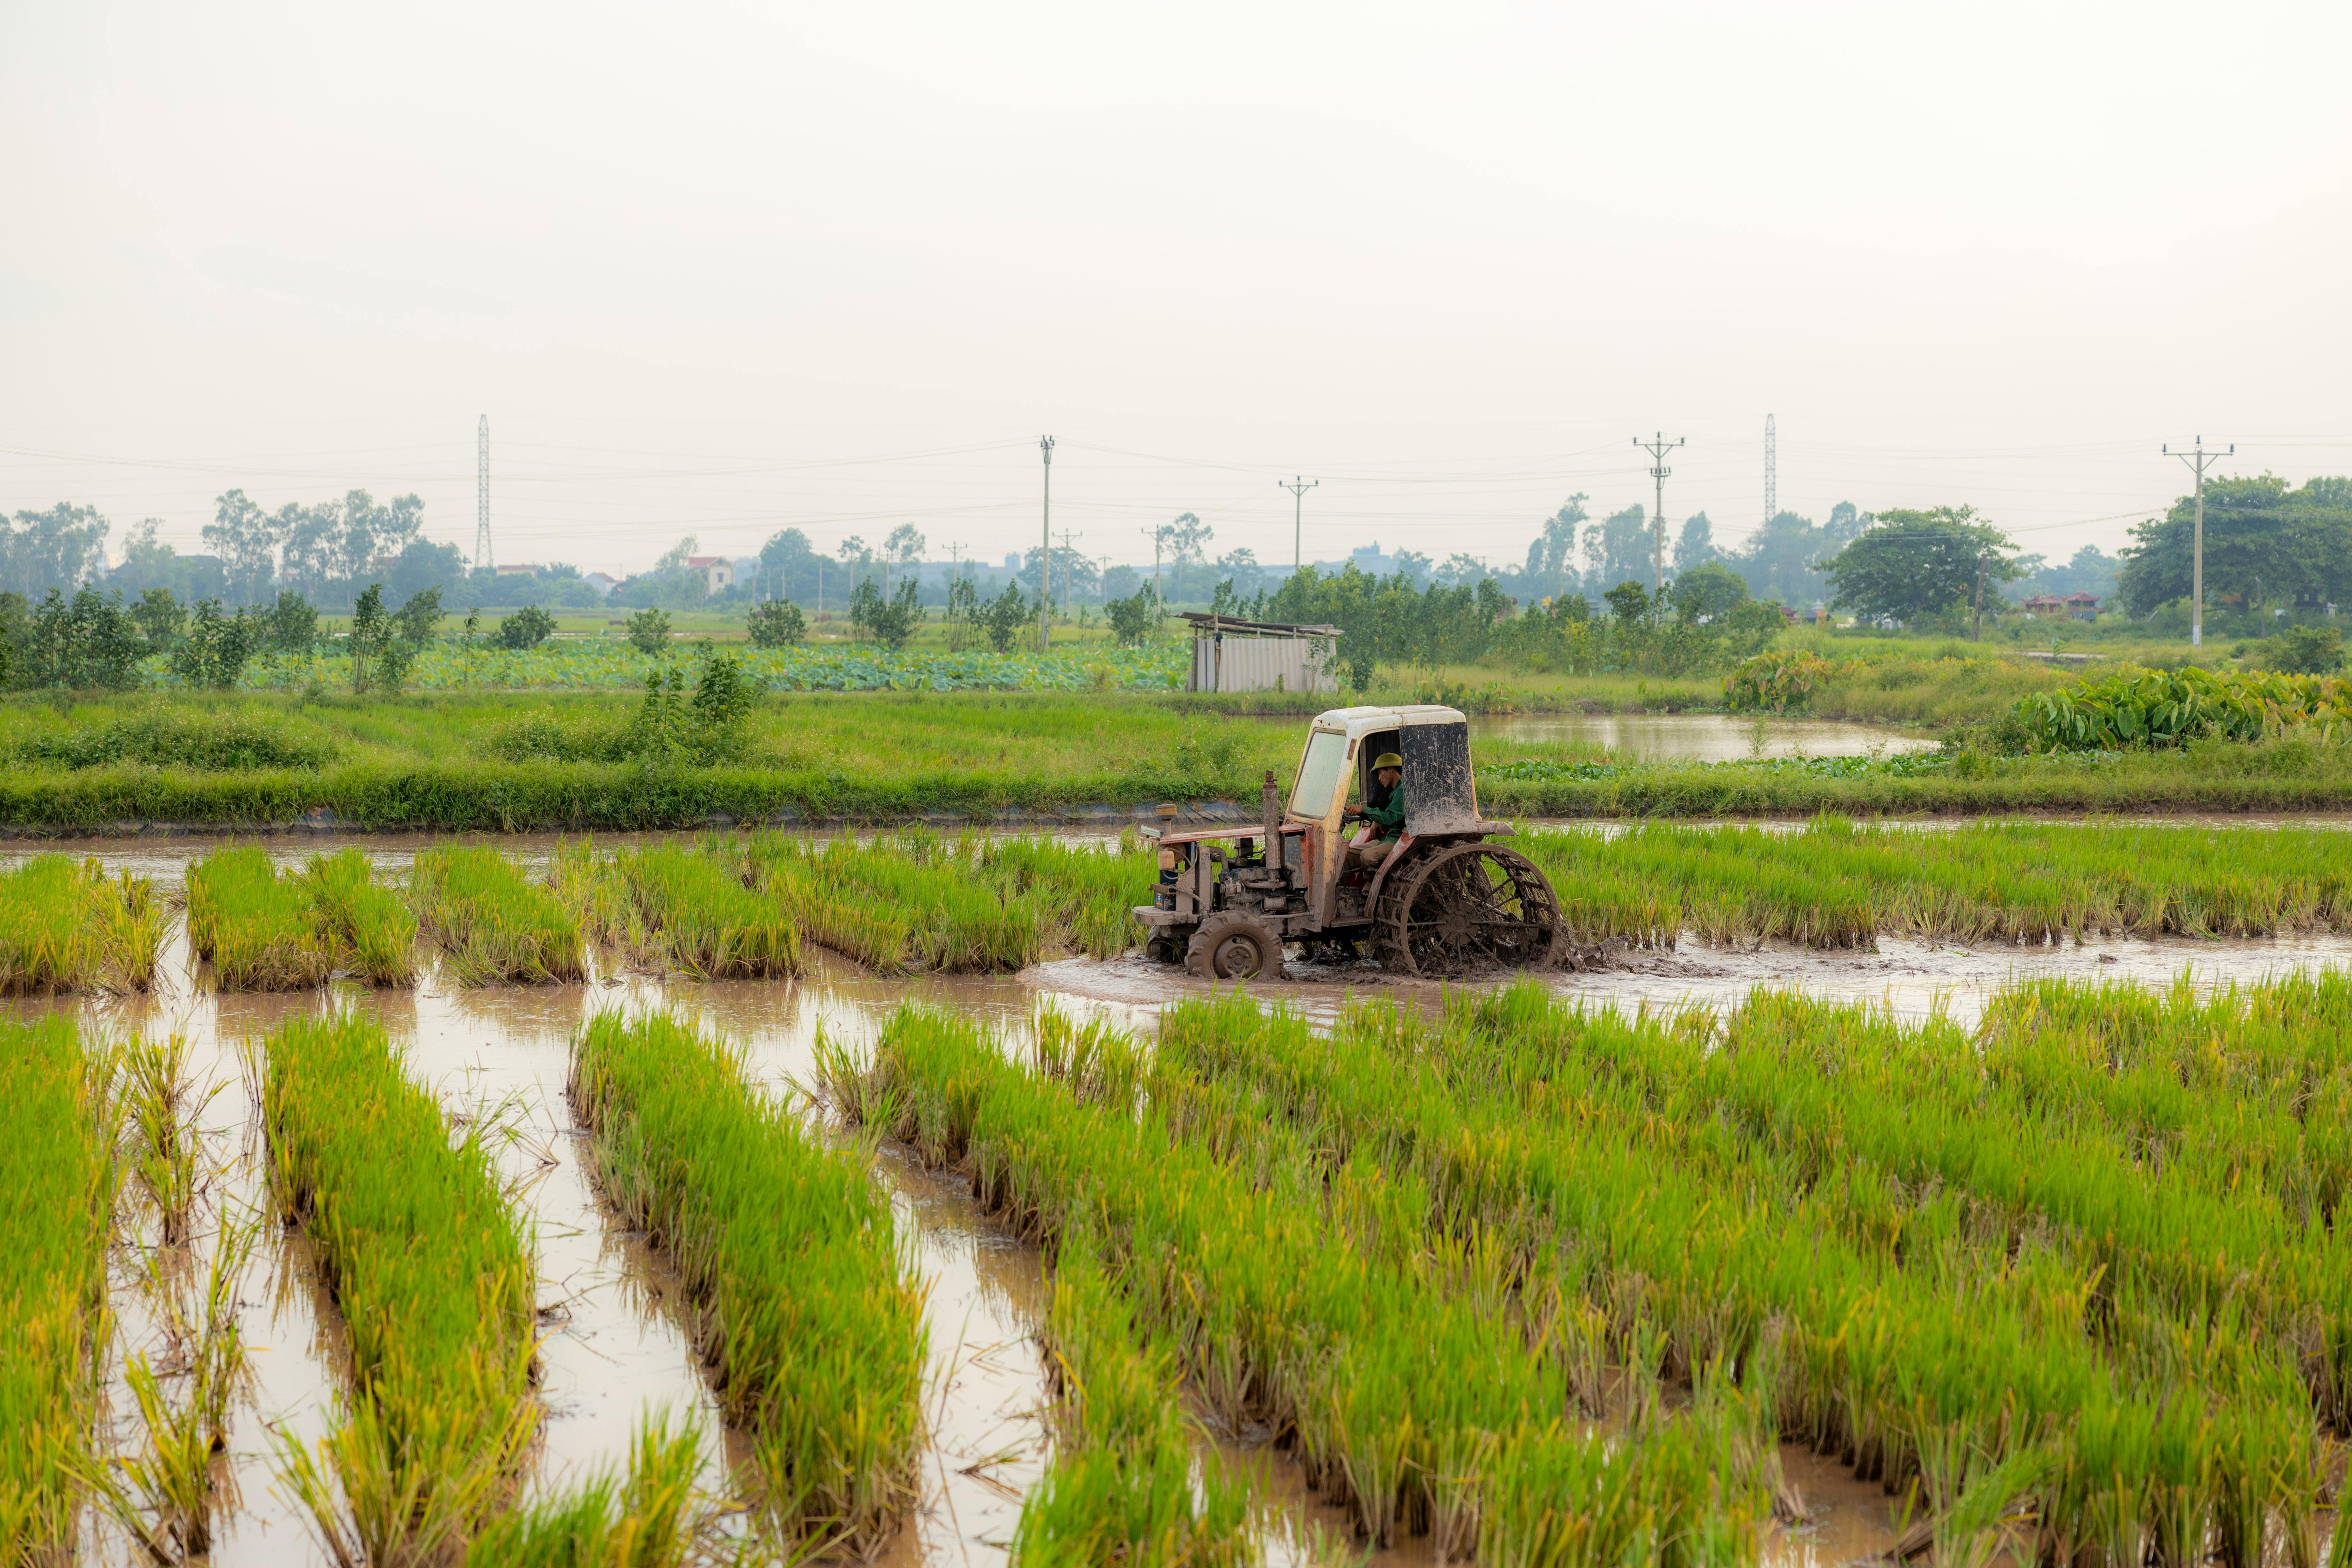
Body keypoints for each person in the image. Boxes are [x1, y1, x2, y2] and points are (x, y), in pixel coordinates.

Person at [1343, 751, 1405, 869]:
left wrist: (1363, 809)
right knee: (1346, 854)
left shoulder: (1402, 790)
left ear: (1391, 769)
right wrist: (1376, 819)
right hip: (1388, 838)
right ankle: (1340, 887)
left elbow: (1391, 818)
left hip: (1399, 840)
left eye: (1381, 773)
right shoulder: (1395, 792)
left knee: (1368, 856)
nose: (1380, 778)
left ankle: (1370, 884)